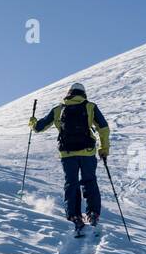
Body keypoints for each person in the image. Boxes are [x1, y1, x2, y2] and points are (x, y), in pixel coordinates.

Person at [29, 82, 110, 235]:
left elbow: (39, 127)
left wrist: (33, 122)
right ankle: (93, 214)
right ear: (83, 93)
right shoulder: (90, 106)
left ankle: (74, 216)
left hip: (67, 154)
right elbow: (104, 128)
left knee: (71, 183)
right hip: (87, 152)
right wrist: (104, 149)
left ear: (69, 93)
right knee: (89, 181)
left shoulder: (59, 109)